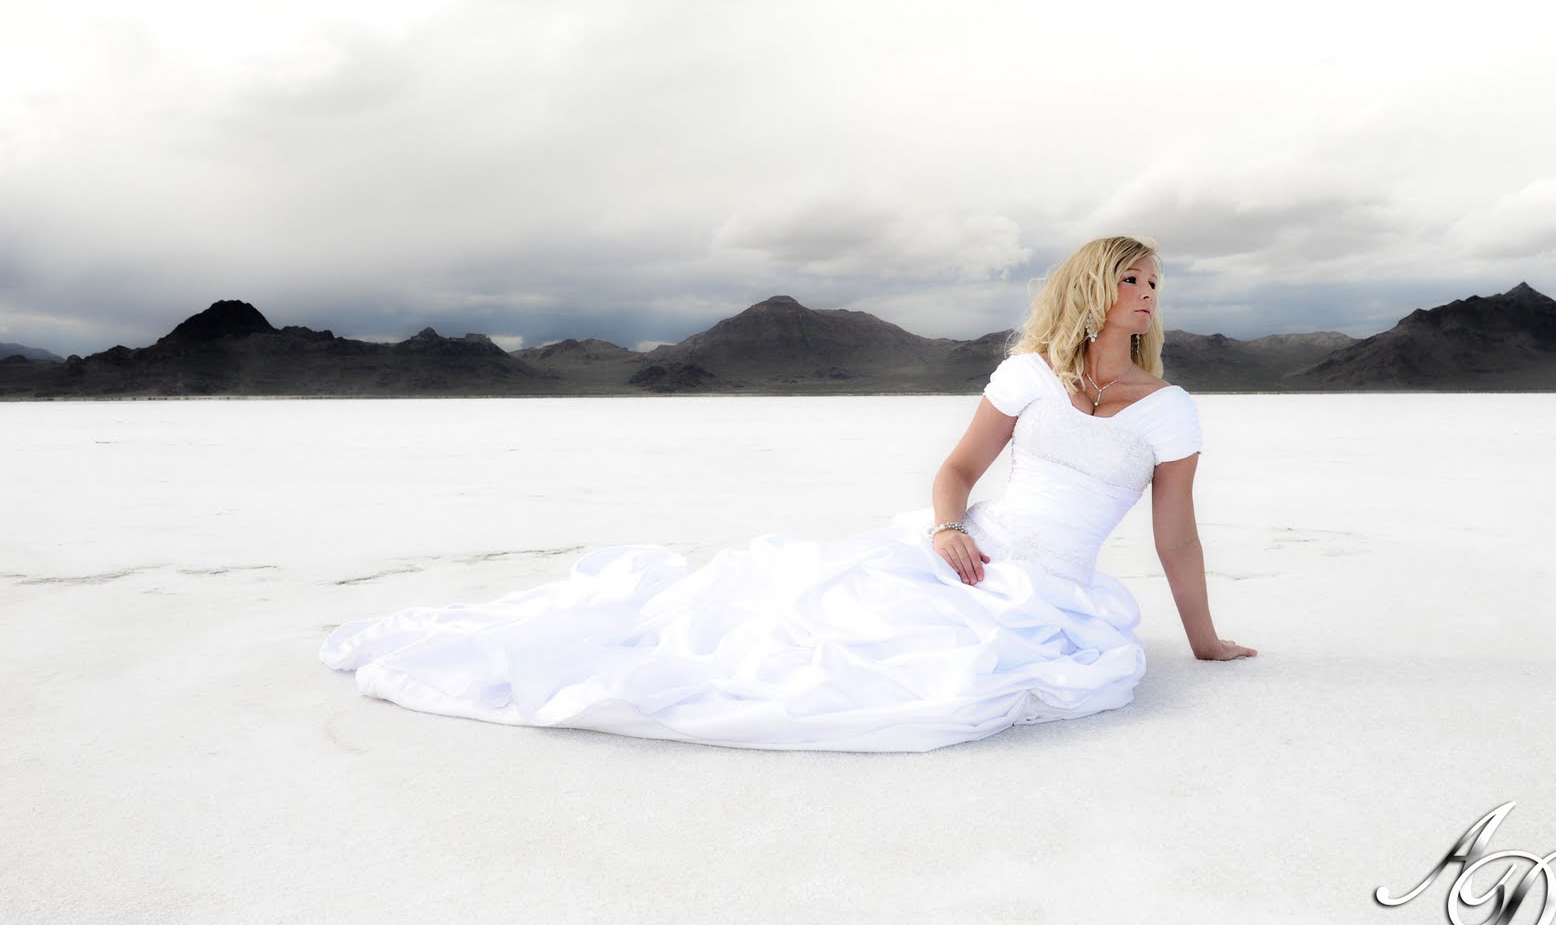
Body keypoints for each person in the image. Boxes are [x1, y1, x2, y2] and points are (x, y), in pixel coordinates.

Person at [320, 235, 1255, 752]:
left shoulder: (1167, 410)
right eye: (1131, 277)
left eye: (1155, 281)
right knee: (790, 631)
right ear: (1092, 288)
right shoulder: (1029, 374)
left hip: (1052, 591)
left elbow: (1176, 539)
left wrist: (1205, 640)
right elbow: (958, 471)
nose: (1148, 292)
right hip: (968, 551)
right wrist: (943, 528)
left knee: (937, 685)